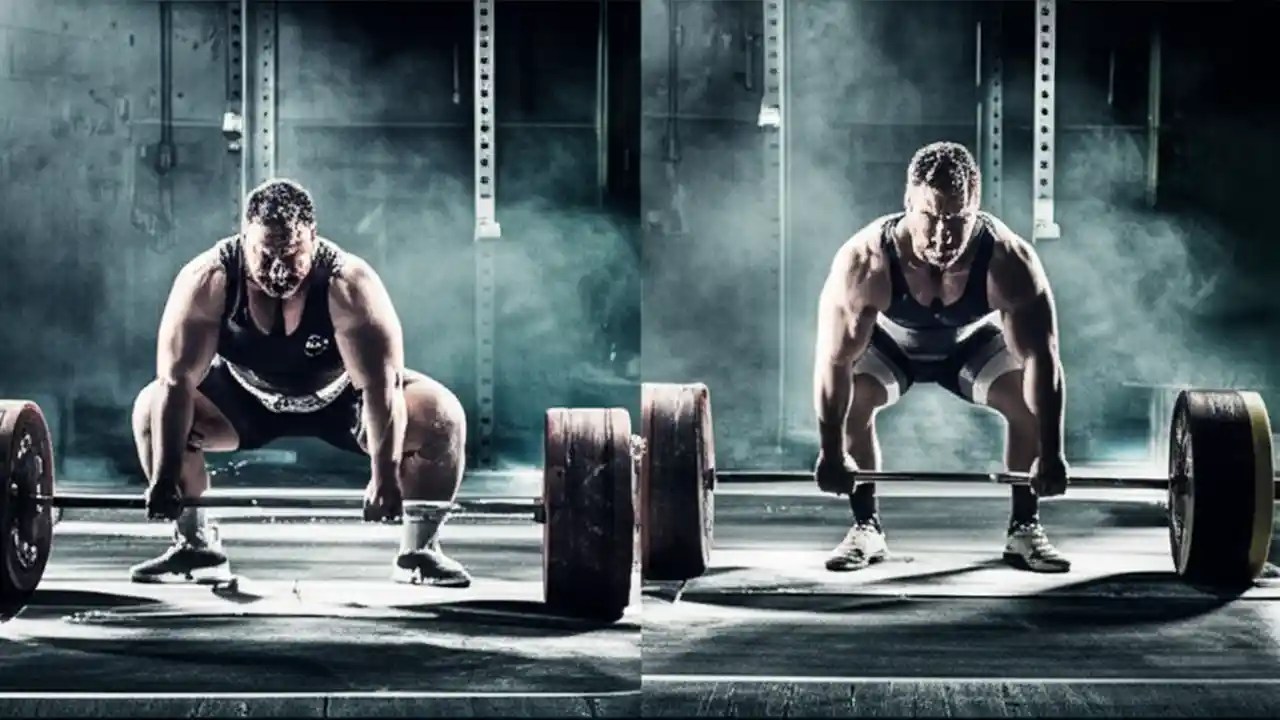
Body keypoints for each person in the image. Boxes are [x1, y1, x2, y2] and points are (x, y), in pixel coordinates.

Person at [128, 178, 472, 587]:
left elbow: (380, 386)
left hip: (341, 403)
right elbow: (176, 382)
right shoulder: (208, 279)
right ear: (244, 238)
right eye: (265, 254)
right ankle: (194, 544)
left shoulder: (349, 284)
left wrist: (385, 475)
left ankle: (419, 550)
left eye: (291, 255)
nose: (277, 269)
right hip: (244, 403)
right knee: (151, 408)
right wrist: (165, 478)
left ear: (313, 237)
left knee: (442, 417)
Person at [812, 141, 1071, 573]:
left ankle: (1025, 528)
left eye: (958, 220)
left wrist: (1053, 453)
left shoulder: (1009, 261)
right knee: (854, 401)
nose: (941, 235)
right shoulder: (865, 261)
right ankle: (866, 527)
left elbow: (1042, 361)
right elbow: (834, 362)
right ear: (908, 202)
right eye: (930, 217)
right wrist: (831, 453)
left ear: (977, 207)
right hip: (893, 347)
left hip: (968, 347)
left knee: (1029, 406)